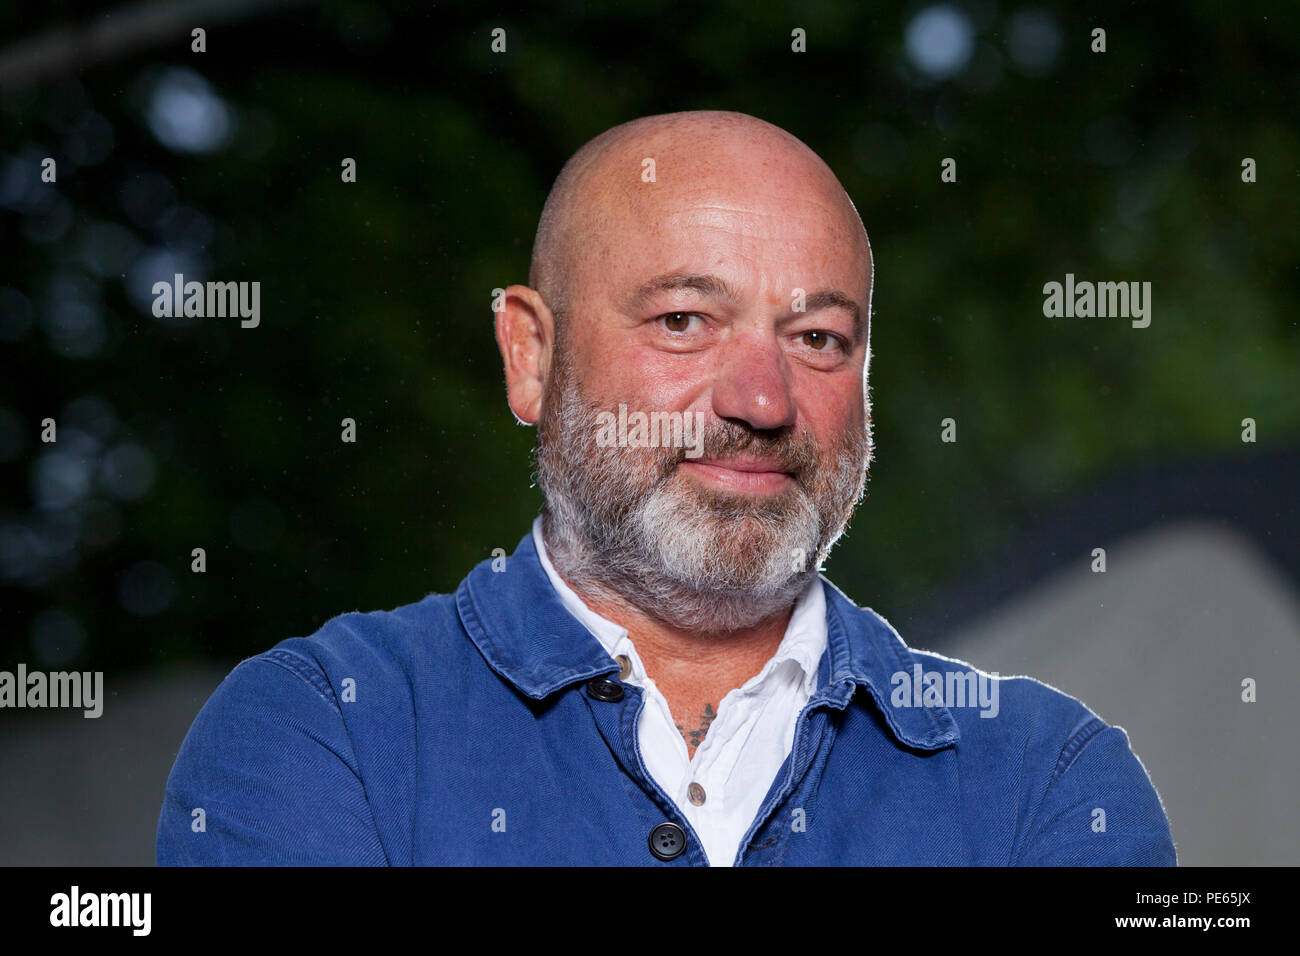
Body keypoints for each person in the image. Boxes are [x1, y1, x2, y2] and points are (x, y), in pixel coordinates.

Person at [157, 110, 1176, 865]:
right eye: (685, 318)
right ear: (529, 356)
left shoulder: (1048, 780)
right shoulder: (326, 728)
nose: (762, 397)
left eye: (817, 337)